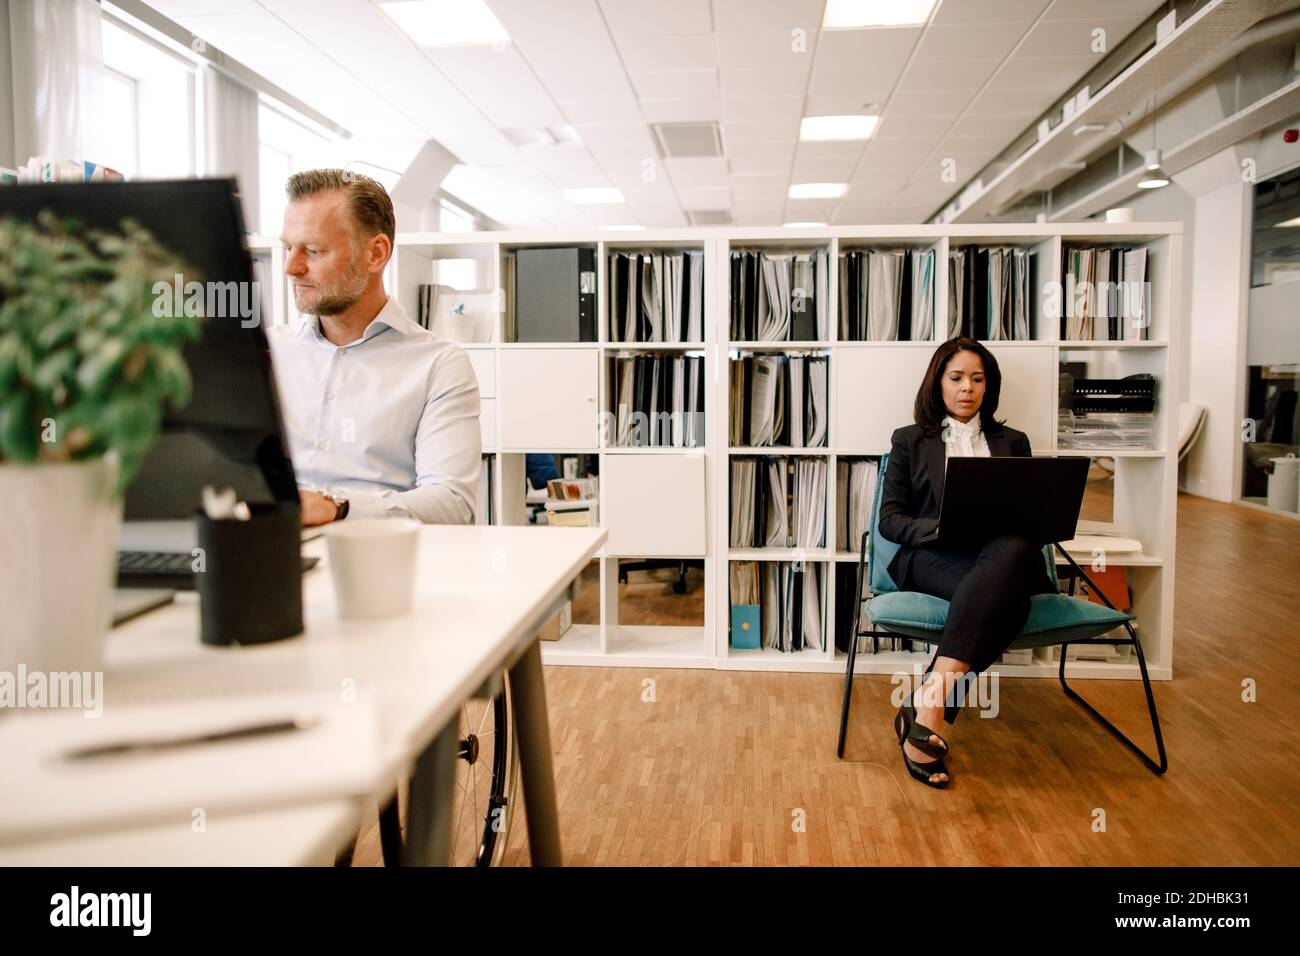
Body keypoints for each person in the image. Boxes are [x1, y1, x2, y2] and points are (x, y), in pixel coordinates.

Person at [877, 336, 1057, 789]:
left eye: (978, 379)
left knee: (1012, 551)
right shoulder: (910, 441)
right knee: (1007, 601)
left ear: (988, 386)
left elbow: (1030, 517)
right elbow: (890, 520)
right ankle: (929, 705)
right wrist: (940, 529)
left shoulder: (1013, 442)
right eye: (956, 377)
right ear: (938, 383)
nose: (967, 388)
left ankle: (928, 703)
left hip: (1001, 560)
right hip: (933, 559)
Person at [267, 169, 480, 526]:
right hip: (267, 555)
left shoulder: (439, 365)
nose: (291, 267)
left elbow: (452, 503)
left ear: (376, 254)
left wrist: (337, 506)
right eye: (288, 247)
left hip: (378, 557)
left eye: (313, 250)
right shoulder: (265, 353)